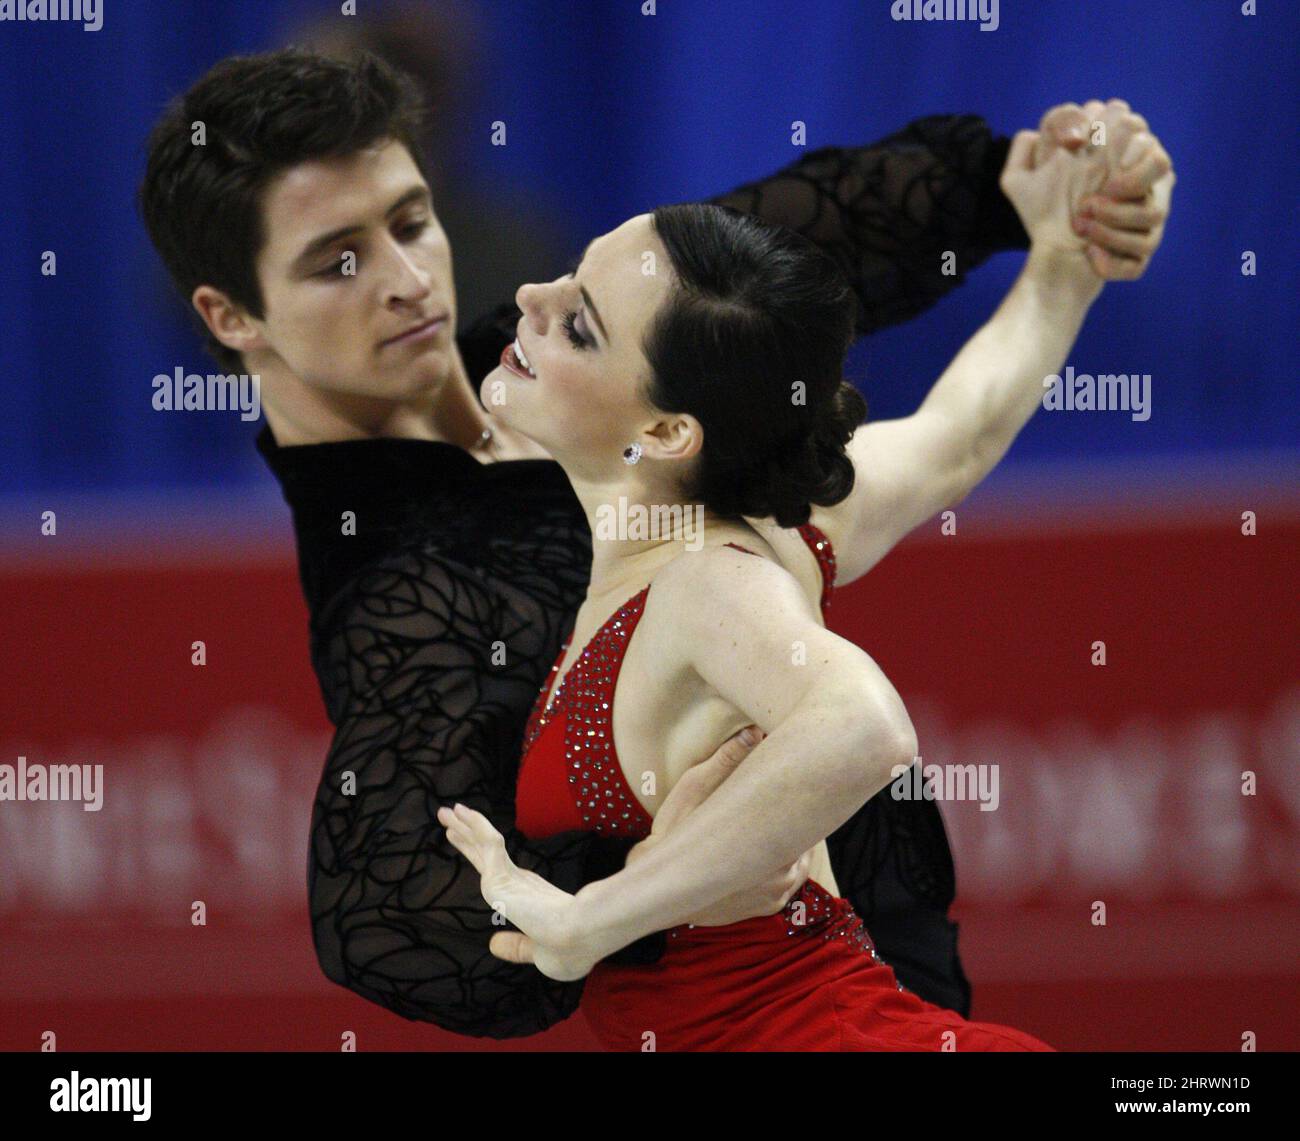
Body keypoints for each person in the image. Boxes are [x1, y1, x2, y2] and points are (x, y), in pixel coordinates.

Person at [137, 48, 1172, 1038]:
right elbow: (394, 927)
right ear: (232, 316)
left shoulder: (567, 370)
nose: (409, 279)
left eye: (413, 219)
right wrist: (647, 881)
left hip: (878, 986)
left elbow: (767, 270)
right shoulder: (408, 584)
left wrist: (1040, 188)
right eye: (339, 262)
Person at [437, 124, 1151, 1049]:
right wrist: (1065, 256)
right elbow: (955, 437)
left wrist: (597, 916)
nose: (527, 297)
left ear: (664, 434)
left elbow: (863, 725)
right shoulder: (782, 527)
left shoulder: (708, 586)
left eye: (578, 324)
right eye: (567, 277)